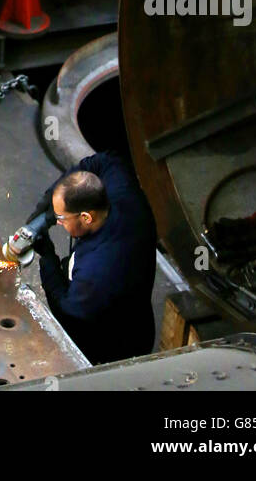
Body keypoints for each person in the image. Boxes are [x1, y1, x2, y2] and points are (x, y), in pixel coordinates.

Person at [21, 150, 157, 365]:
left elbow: (66, 313)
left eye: (61, 218)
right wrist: (50, 197)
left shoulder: (96, 269)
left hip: (112, 349)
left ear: (86, 217)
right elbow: (104, 161)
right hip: (139, 318)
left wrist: (48, 258)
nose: (58, 222)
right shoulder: (123, 194)